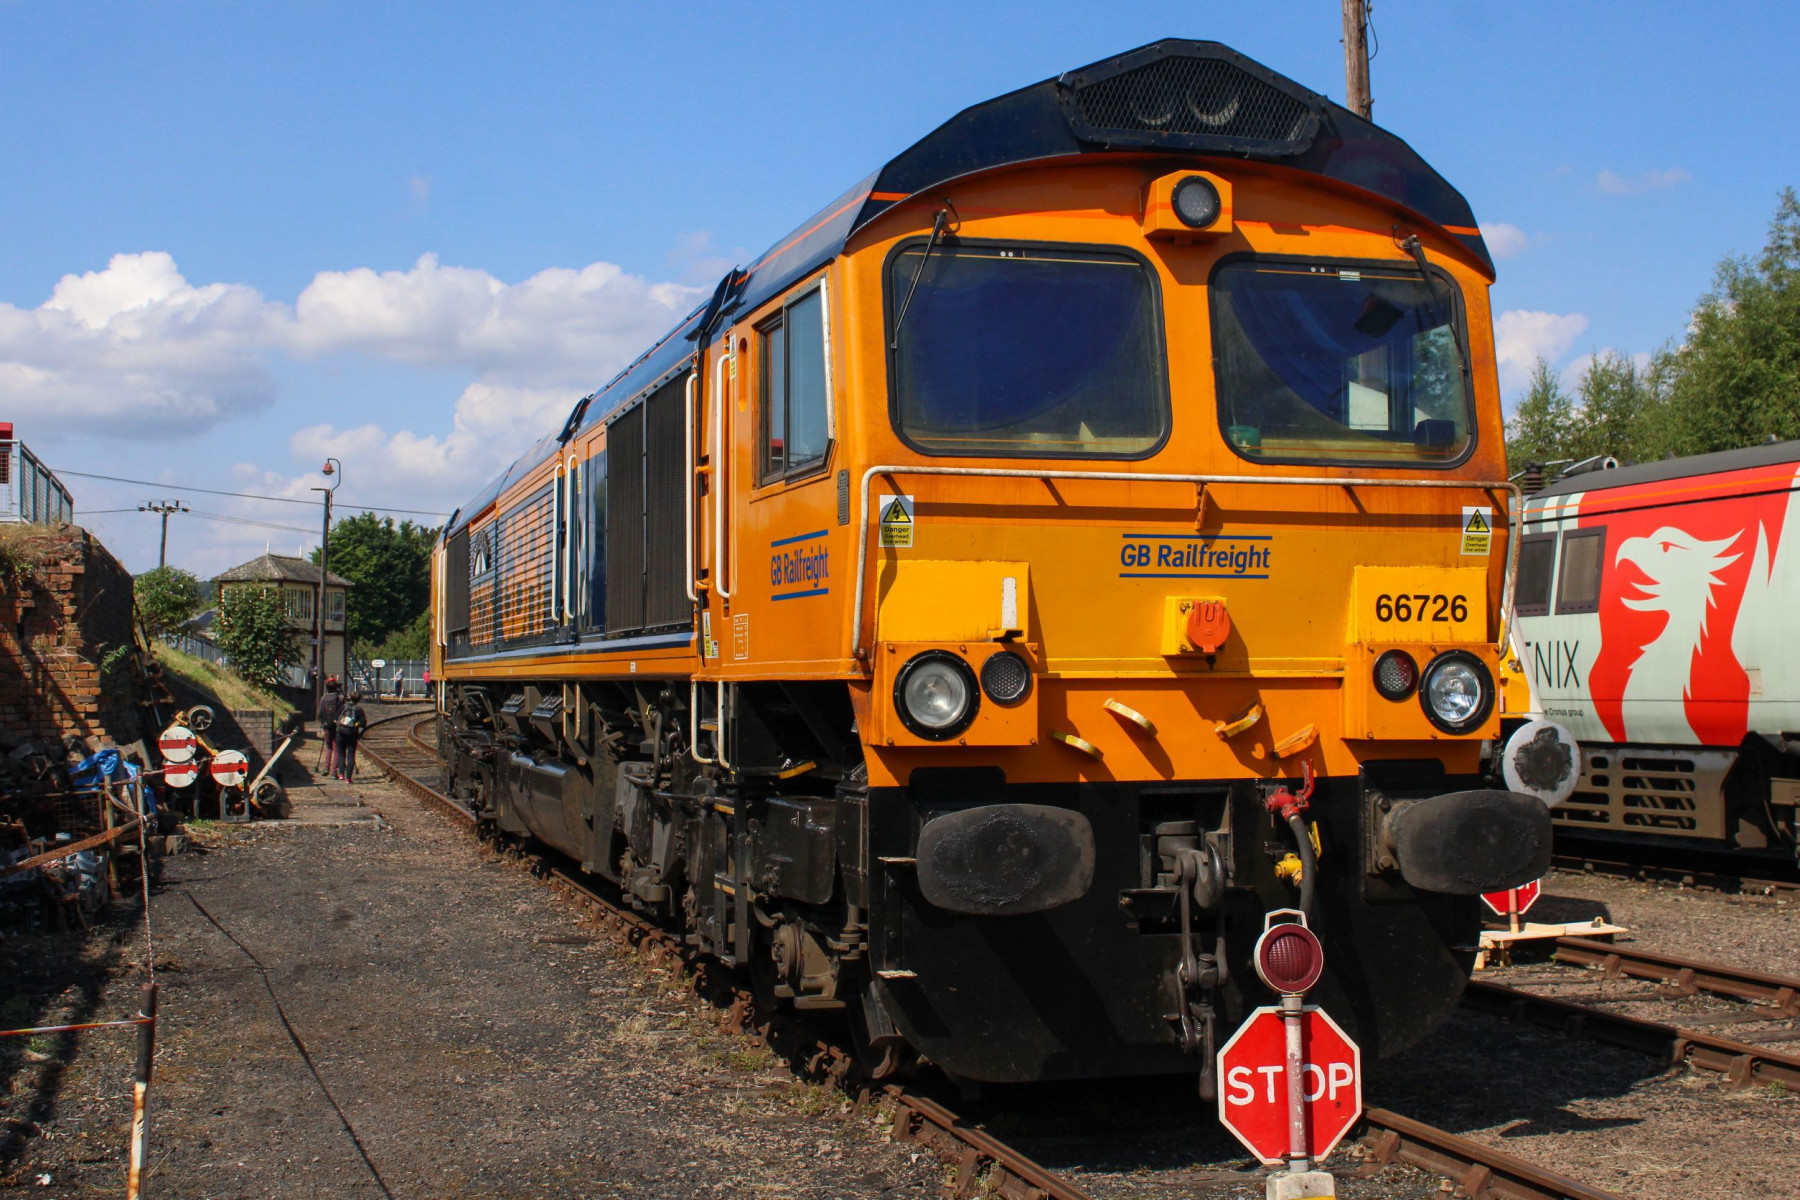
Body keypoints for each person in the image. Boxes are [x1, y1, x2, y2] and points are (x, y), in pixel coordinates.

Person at [335, 691, 368, 782]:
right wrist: (356, 725)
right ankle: (348, 778)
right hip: (352, 734)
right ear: (359, 699)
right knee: (351, 755)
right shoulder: (359, 709)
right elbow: (363, 723)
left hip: (340, 733)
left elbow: (336, 717)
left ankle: (341, 774)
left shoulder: (343, 706)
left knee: (341, 754)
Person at [316, 678, 344, 777]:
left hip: (327, 726)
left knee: (328, 747)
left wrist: (322, 722)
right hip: (337, 726)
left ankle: (326, 768)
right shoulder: (340, 698)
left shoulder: (323, 699)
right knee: (336, 748)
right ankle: (334, 772)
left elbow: (319, 714)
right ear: (336, 688)